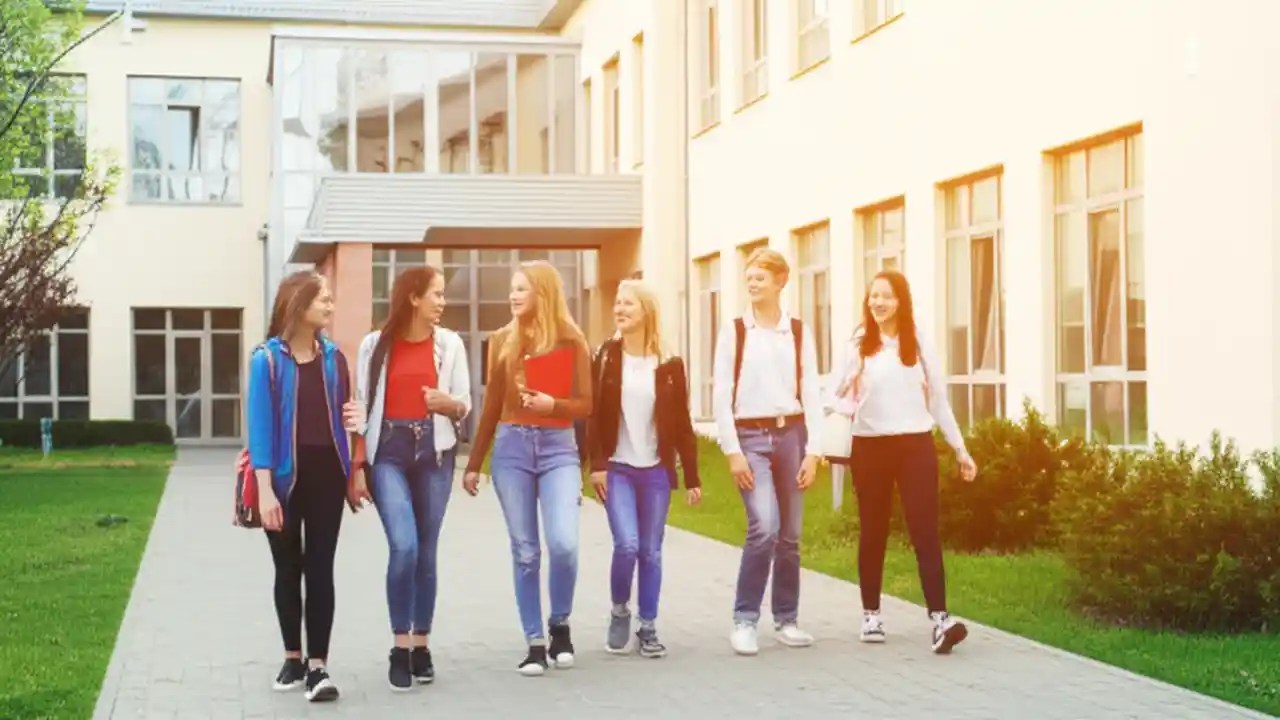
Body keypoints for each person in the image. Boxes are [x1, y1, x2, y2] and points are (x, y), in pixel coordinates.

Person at [831, 269, 977, 654]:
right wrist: (851, 381)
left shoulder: (919, 343)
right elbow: (836, 395)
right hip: (870, 445)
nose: (878, 302)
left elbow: (939, 401)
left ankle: (940, 620)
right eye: (873, 296)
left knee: (925, 530)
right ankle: (871, 614)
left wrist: (960, 448)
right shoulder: (858, 344)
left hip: (915, 445)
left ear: (901, 302)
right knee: (873, 530)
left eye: (886, 296)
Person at [461, 260, 593, 676]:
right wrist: (474, 464)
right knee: (525, 551)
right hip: (512, 448)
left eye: (522, 289)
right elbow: (492, 406)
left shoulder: (573, 341)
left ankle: (560, 626)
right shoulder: (501, 339)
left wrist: (554, 405)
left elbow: (587, 405)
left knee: (564, 543)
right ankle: (535, 642)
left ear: (544, 293)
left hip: (558, 449)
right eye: (512, 289)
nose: (514, 296)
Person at [345, 266, 471, 691]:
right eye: (435, 293)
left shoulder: (451, 345)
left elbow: (465, 405)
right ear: (414, 297)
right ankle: (399, 646)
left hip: (434, 454)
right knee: (404, 545)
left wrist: (448, 403)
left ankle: (421, 645)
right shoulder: (373, 346)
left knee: (427, 552)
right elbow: (360, 409)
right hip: (389, 454)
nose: (442, 301)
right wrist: (357, 466)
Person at [247, 270, 359, 703]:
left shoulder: (335, 359)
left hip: (328, 474)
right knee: (287, 568)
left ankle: (318, 667)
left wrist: (354, 452)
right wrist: (265, 490)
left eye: (331, 299)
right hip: (281, 479)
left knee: (321, 568)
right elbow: (259, 428)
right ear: (299, 303)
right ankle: (292, 657)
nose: (331, 306)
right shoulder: (267, 360)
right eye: (324, 299)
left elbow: (345, 416)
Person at [711, 247, 823, 656]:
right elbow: (721, 393)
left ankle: (787, 620)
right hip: (750, 438)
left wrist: (814, 451)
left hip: (791, 435)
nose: (753, 283)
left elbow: (811, 388)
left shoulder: (797, 330)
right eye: (749, 277)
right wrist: (732, 450)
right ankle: (744, 619)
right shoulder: (735, 331)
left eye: (760, 276)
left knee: (791, 535)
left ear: (781, 281)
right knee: (765, 527)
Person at [586, 280, 702, 658]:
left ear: (646, 312)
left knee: (651, 551)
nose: (619, 309)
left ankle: (648, 626)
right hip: (617, 467)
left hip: (654, 469)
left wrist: (692, 476)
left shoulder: (669, 364)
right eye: (617, 303)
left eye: (628, 304)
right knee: (627, 545)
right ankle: (620, 610)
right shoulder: (606, 355)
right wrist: (597, 465)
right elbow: (593, 415)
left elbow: (682, 422)